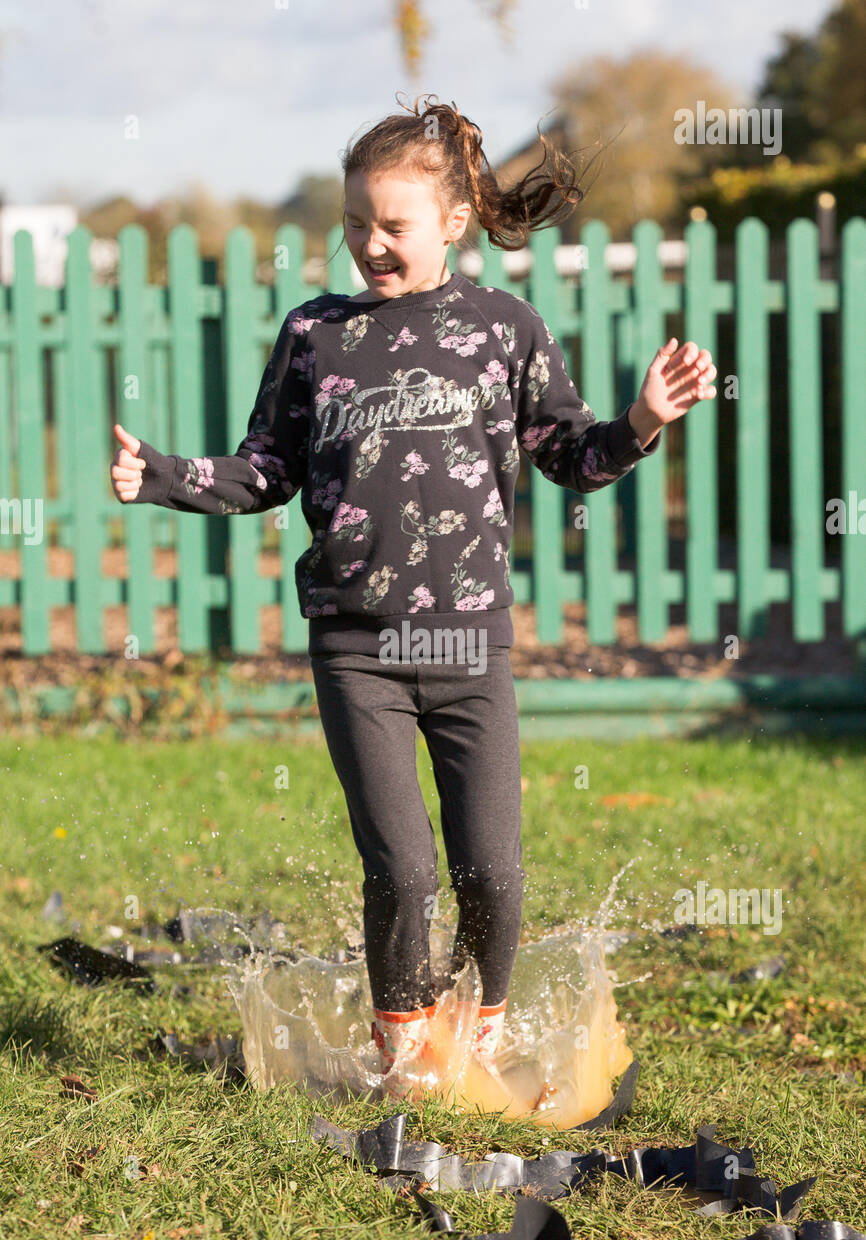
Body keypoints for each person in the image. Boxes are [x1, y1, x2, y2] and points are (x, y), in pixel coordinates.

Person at [110, 94, 716, 1097]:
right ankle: (405, 1058)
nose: (369, 244)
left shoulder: (504, 330)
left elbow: (570, 456)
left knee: (492, 870)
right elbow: (268, 468)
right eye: (355, 222)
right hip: (357, 649)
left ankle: (475, 1034)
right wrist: (167, 475)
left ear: (452, 223)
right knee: (402, 868)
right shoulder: (315, 335)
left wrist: (642, 420)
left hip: (470, 649)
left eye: (391, 224)